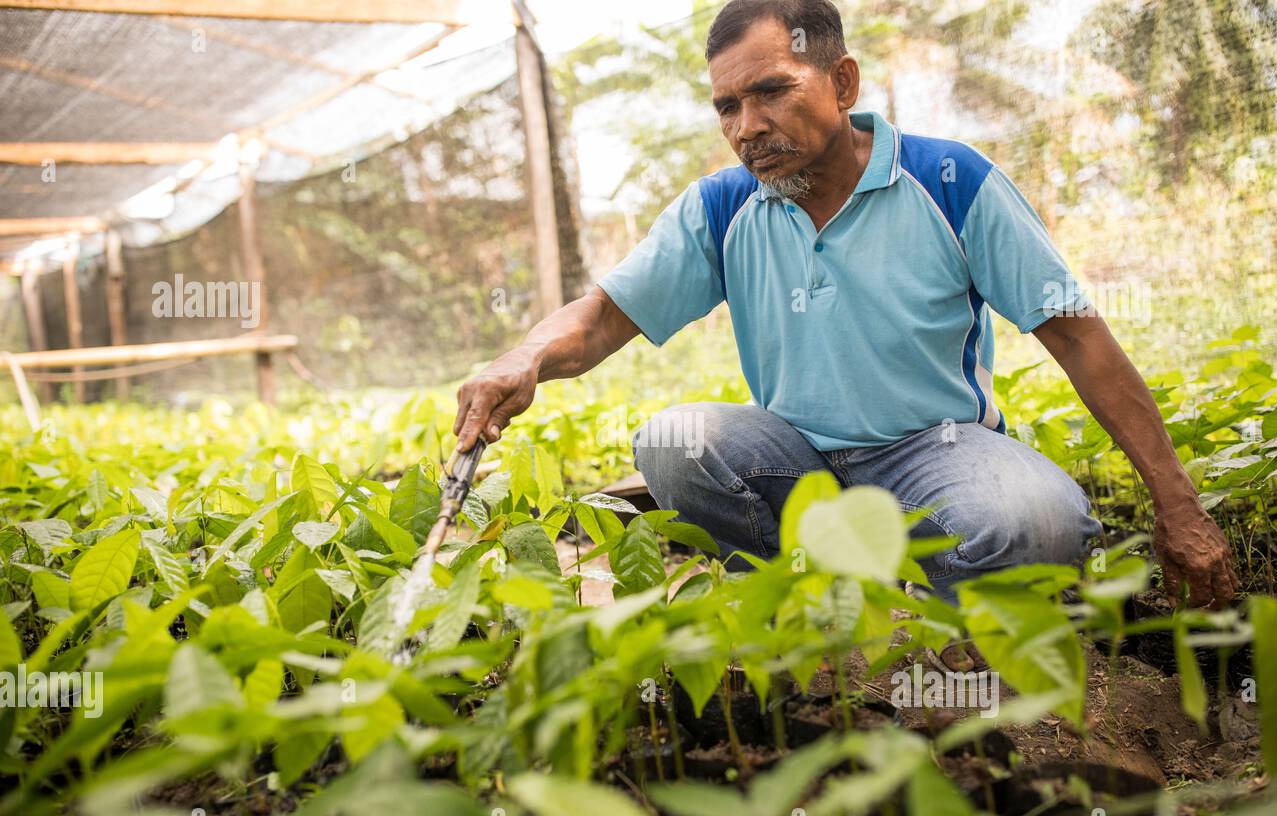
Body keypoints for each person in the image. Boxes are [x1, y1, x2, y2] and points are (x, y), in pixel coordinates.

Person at [452, 0, 1237, 615]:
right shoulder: (724, 207)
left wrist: (1179, 505)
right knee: (674, 441)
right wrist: (521, 359)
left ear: (842, 82)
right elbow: (600, 319)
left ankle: (928, 616)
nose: (747, 127)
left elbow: (1080, 341)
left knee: (1031, 521)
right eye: (727, 106)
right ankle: (813, 597)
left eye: (771, 93)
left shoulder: (951, 182)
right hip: (795, 459)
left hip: (939, 451)